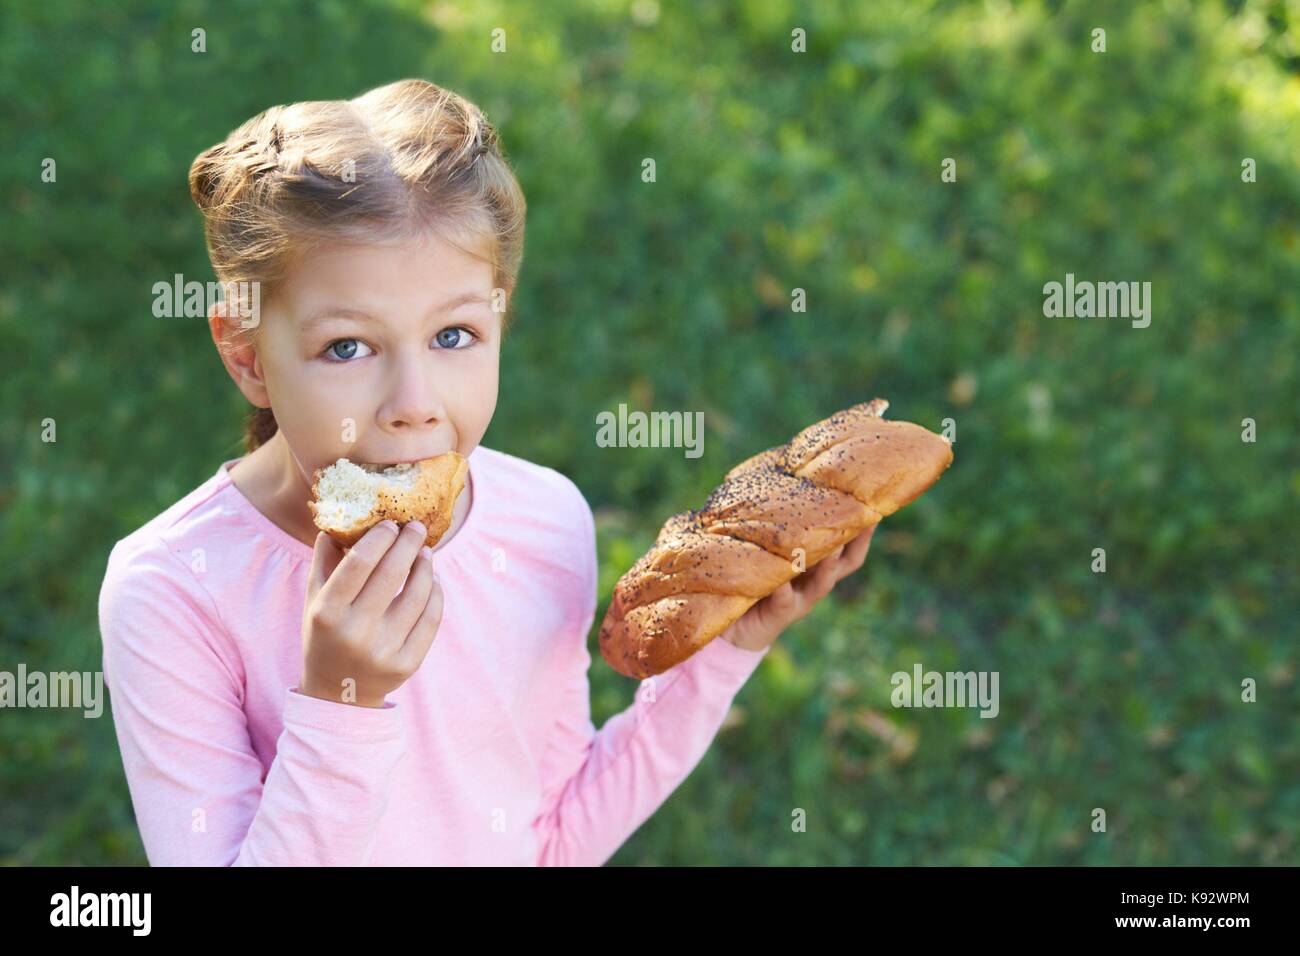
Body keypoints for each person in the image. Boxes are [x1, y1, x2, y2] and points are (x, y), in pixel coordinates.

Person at [97, 78, 874, 866]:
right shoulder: (172, 591)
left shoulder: (543, 523)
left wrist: (723, 650)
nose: (413, 404)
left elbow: (555, 838)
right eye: (346, 347)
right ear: (247, 357)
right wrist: (343, 703)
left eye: (454, 335)